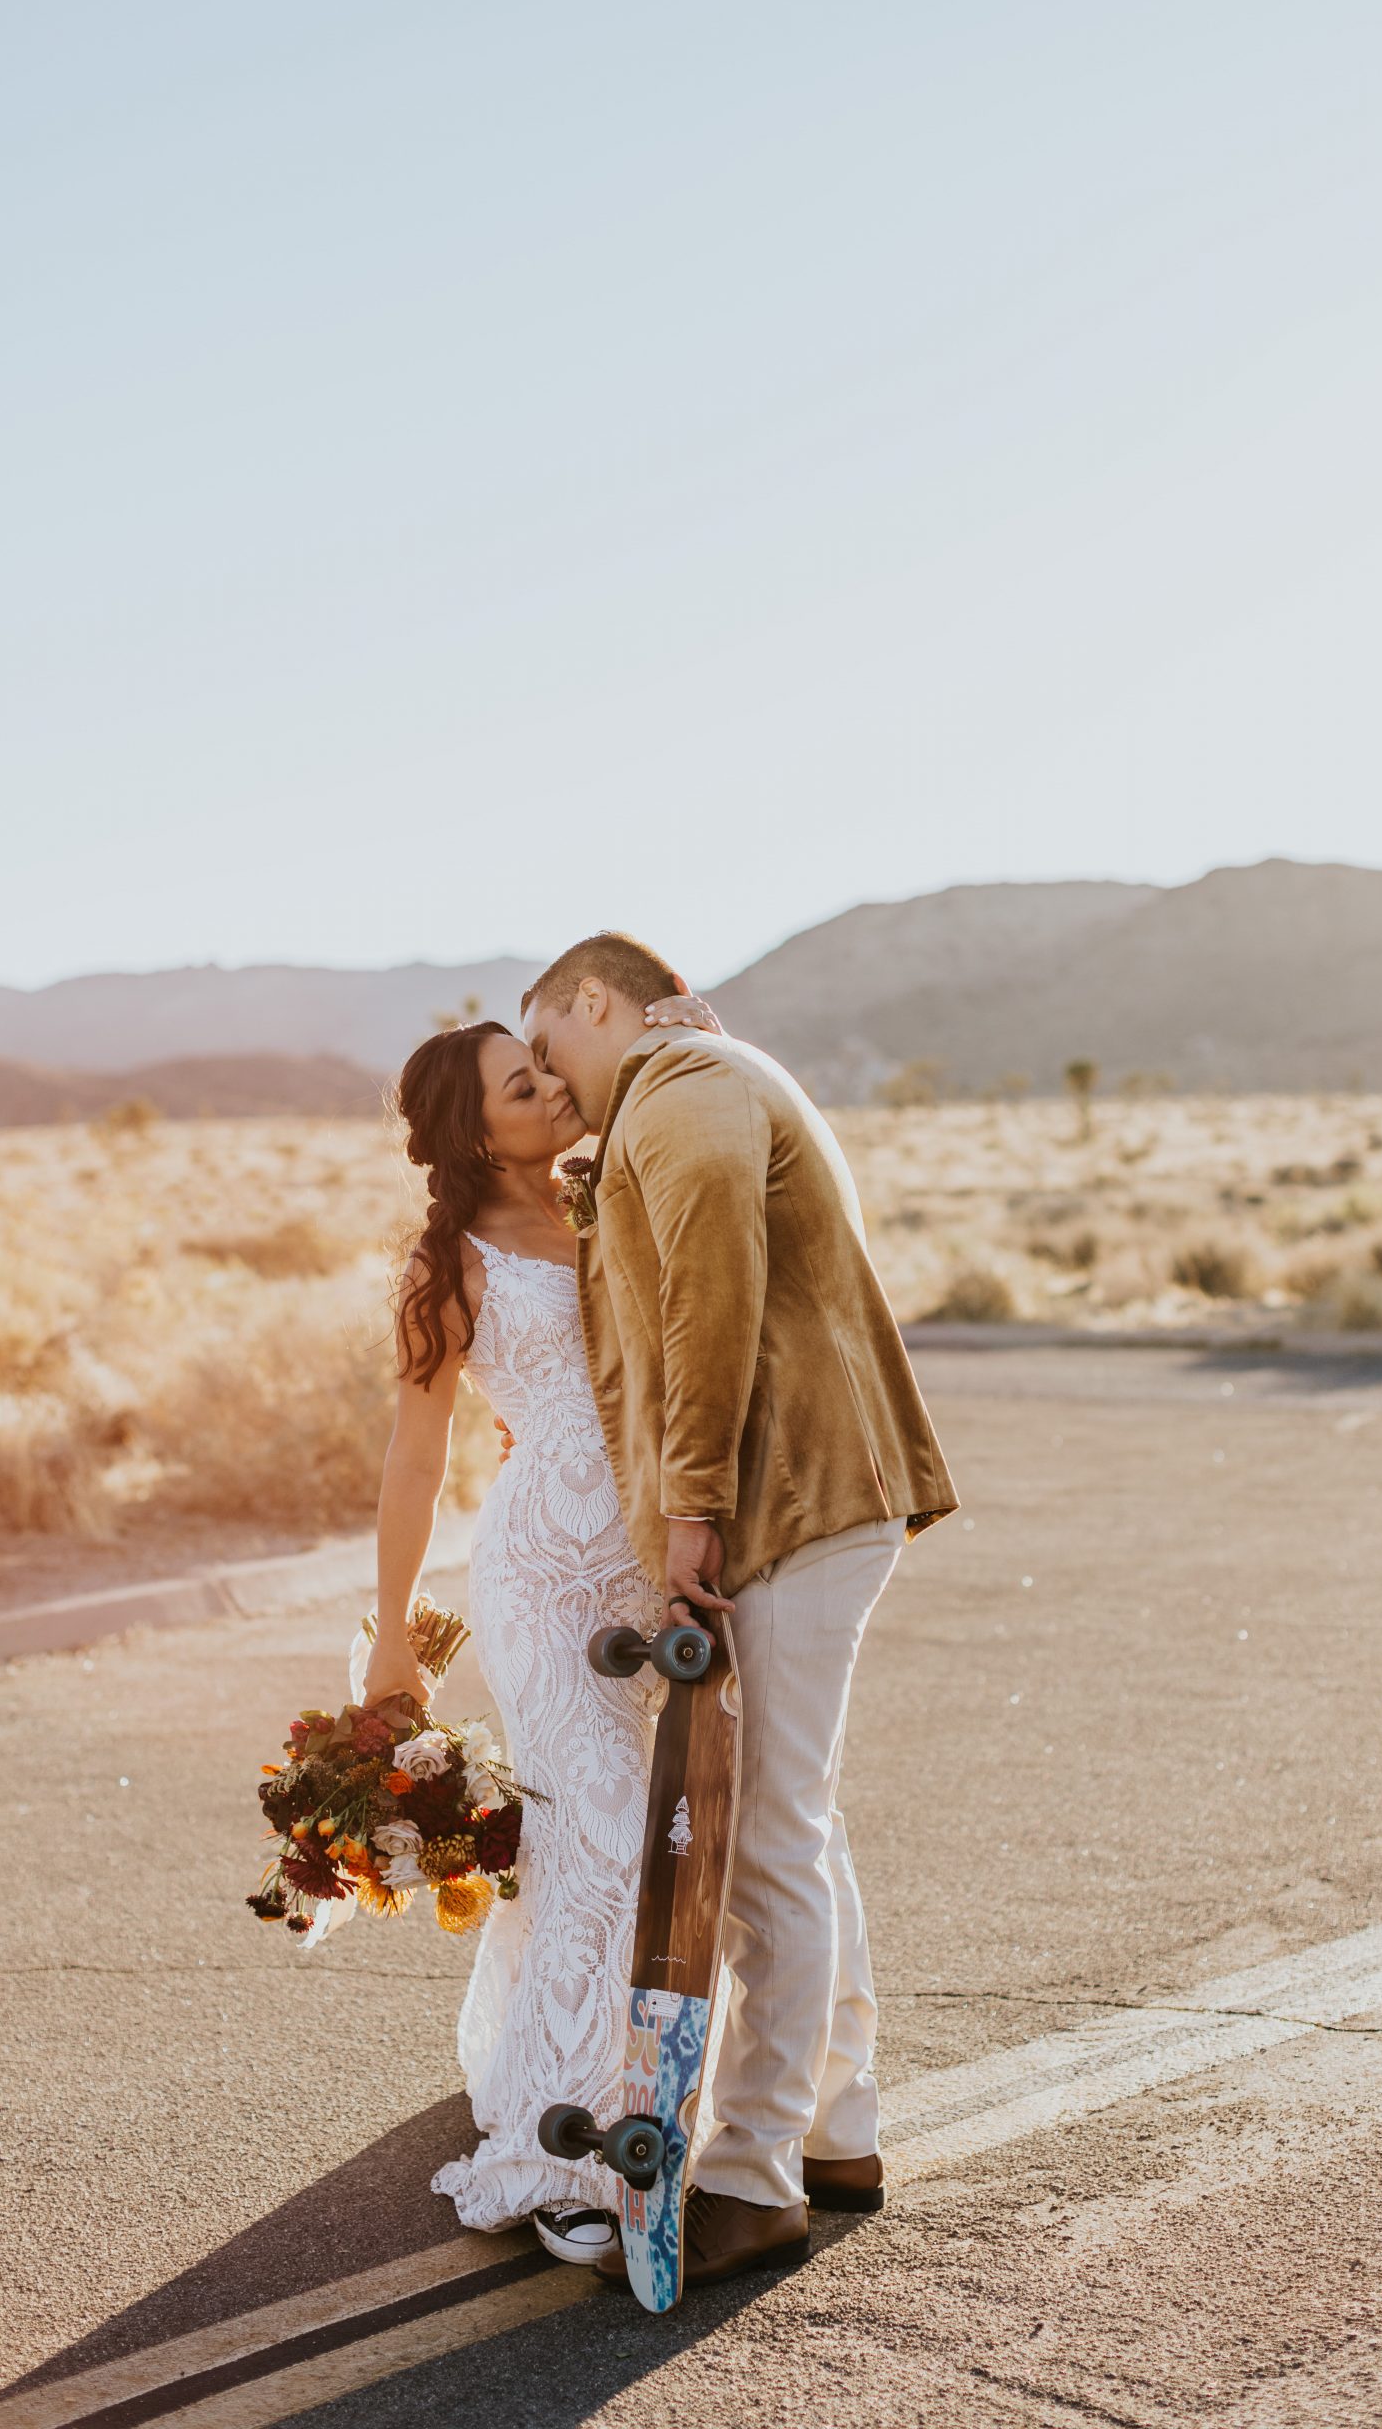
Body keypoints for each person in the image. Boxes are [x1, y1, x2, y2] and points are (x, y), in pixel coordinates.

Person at [522, 930, 957, 2289]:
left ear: (600, 1003)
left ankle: (754, 2173)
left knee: (766, 1838)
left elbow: (711, 1305)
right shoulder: (682, 1090)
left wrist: (692, 1505)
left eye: (550, 1049)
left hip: (787, 1498)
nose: (551, 1082)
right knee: (794, 1827)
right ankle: (837, 2127)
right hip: (806, 1499)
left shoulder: (686, 1082)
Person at [357, 997, 714, 2265]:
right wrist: (394, 1634)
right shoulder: (455, 1259)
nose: (552, 1093)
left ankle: (604, 2082)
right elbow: (415, 1457)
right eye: (522, 1088)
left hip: (647, 1569)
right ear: (477, 1132)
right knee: (603, 1826)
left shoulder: (607, 1198)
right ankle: (564, 2154)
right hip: (541, 1577)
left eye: (546, 1073)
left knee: (606, 1836)